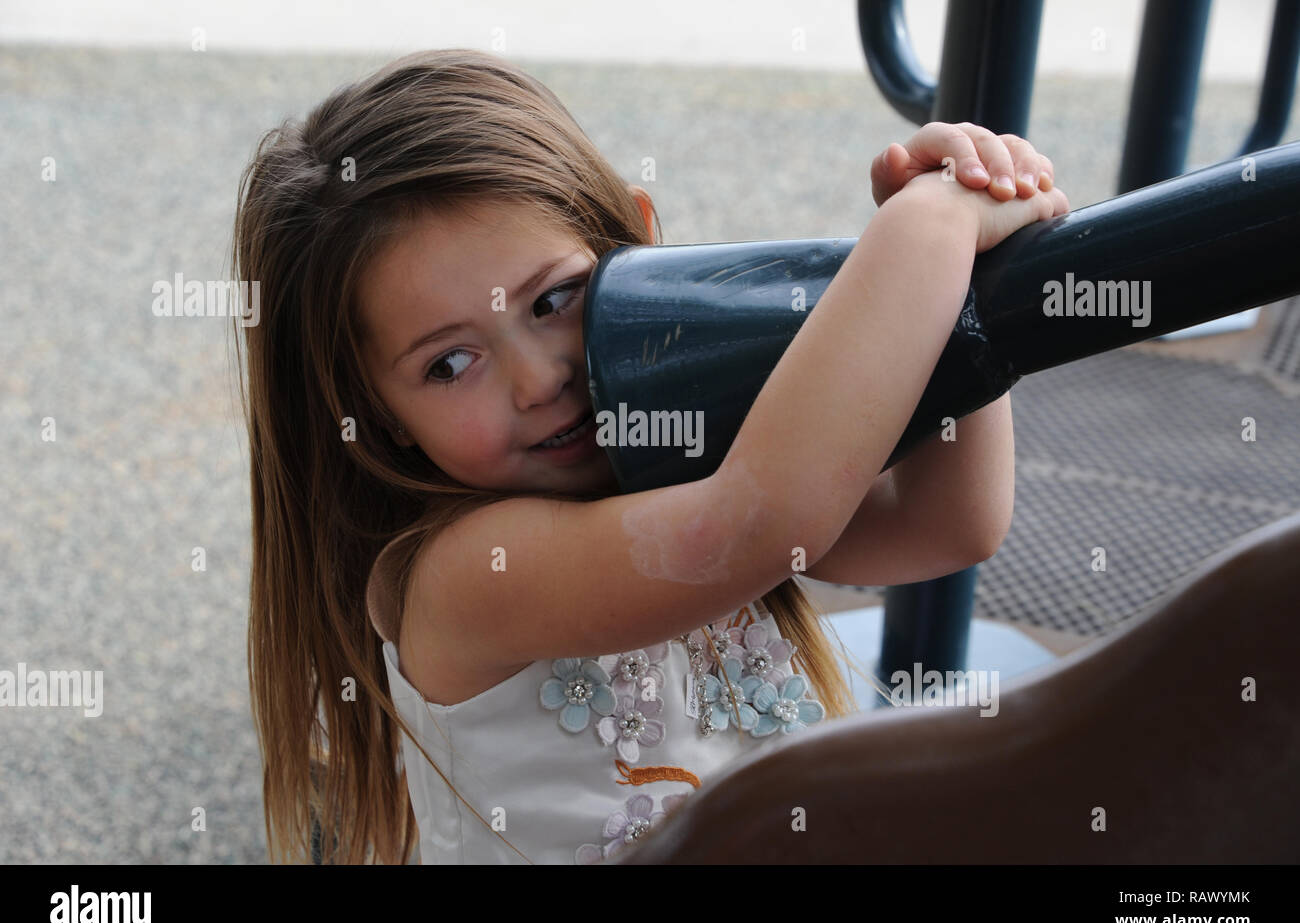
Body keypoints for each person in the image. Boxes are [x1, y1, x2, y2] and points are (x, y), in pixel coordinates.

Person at [230, 48, 1068, 864]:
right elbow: (747, 527)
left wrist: (960, 292)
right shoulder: (462, 574)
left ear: (634, 238)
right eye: (449, 363)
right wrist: (928, 227)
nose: (537, 378)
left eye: (553, 299)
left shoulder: (679, 448)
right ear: (378, 412)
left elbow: (944, 525)